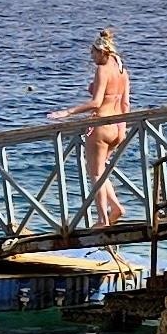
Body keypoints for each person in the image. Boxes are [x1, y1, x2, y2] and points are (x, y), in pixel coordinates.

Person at [48, 31, 132, 228]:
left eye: (93, 53)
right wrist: (123, 129)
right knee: (102, 170)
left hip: (101, 125)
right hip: (118, 127)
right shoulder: (122, 71)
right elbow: (126, 104)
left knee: (95, 173)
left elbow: (96, 103)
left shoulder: (103, 69)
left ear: (102, 51)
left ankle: (103, 218)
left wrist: (67, 112)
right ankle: (116, 207)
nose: (92, 57)